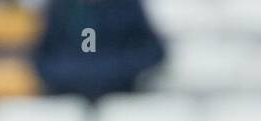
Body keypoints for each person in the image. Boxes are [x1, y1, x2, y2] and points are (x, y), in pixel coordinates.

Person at [32, 0, 165, 101]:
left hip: (120, 97)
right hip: (67, 98)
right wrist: (75, 74)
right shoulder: (60, 6)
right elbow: (41, 57)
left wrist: (113, 70)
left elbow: (153, 52)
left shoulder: (127, 5)